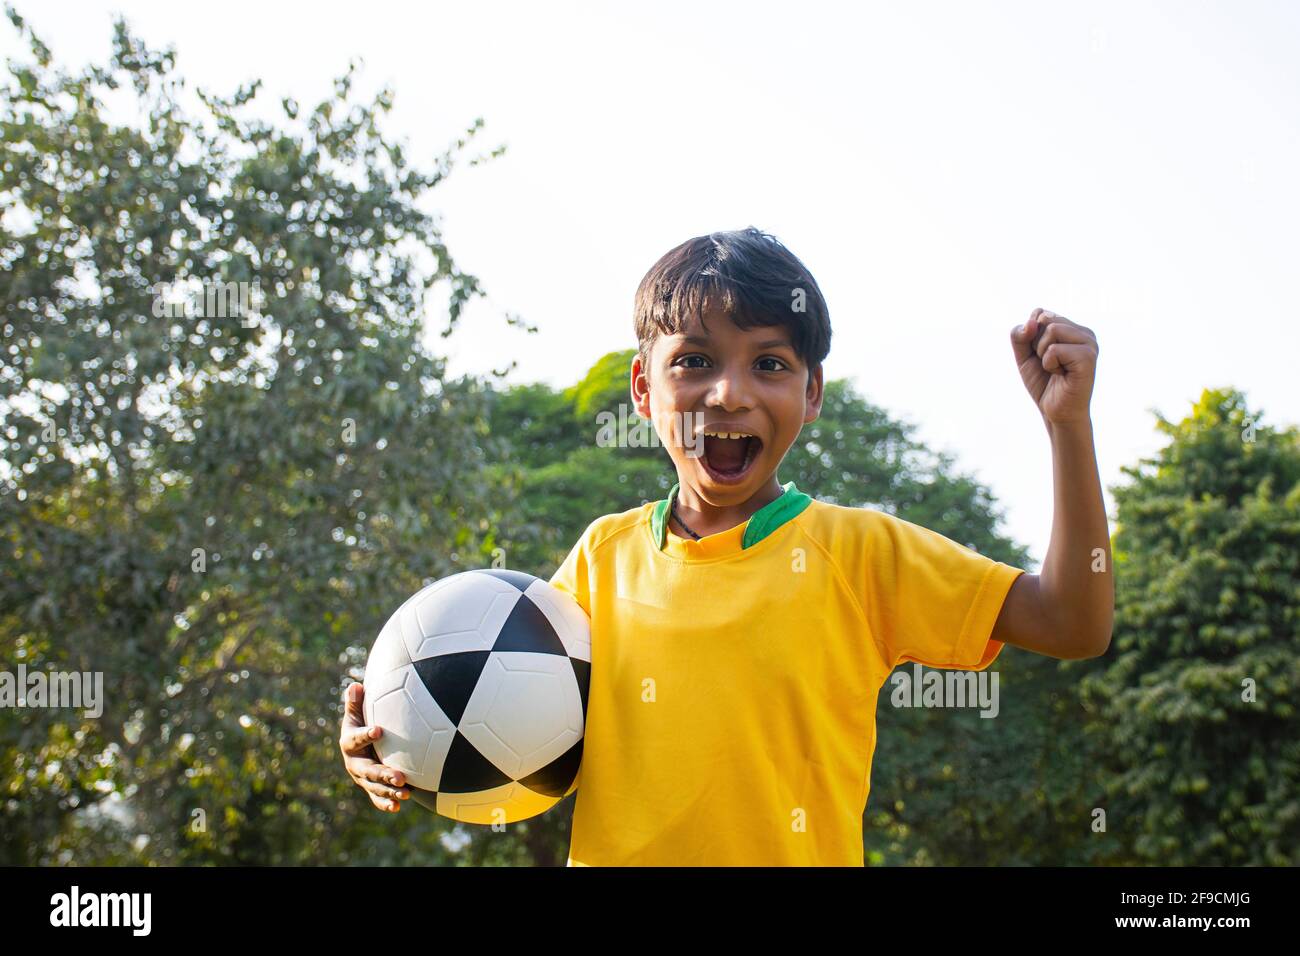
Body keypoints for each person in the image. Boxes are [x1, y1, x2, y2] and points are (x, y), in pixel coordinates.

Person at [340, 226, 1113, 865]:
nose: (730, 393)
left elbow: (1072, 624)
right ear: (644, 389)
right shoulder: (599, 560)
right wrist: (390, 735)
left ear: (812, 396)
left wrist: (1066, 428)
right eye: (694, 361)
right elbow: (511, 718)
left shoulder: (860, 552)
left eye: (770, 363)